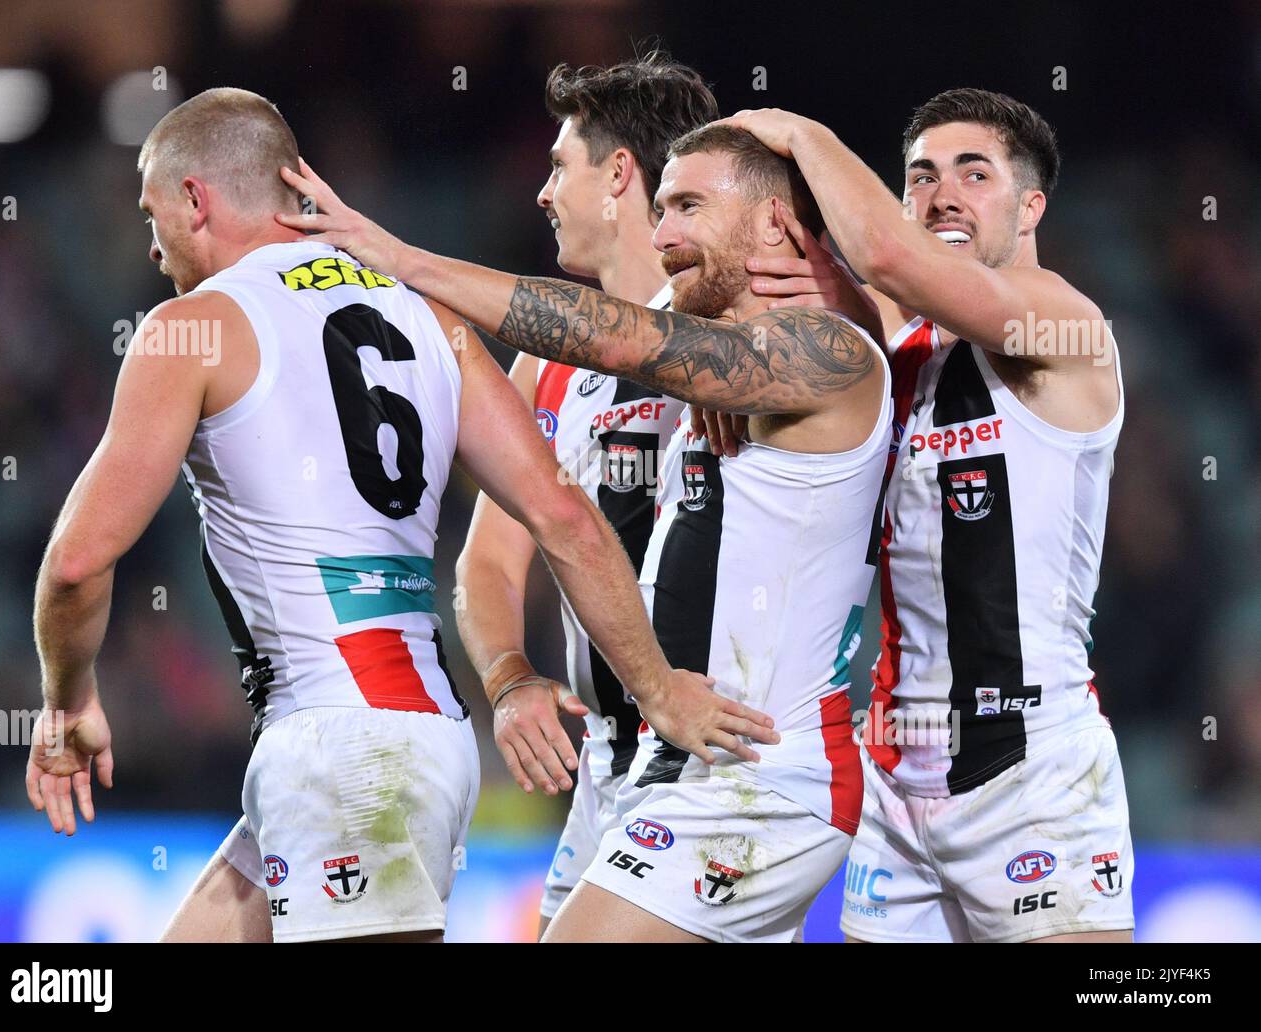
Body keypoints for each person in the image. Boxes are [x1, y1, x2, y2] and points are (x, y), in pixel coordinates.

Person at [24, 87, 773, 944]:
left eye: (153, 217)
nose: (153, 251)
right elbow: (562, 514)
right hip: (418, 740)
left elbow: (78, 563)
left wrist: (66, 699)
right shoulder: (429, 317)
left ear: (196, 200)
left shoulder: (189, 329)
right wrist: (654, 684)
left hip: (339, 754)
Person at [273, 121, 891, 943]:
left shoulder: (829, 351)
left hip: (759, 774)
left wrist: (404, 260)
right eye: (661, 209)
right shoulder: (722, 370)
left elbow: (622, 334)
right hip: (655, 765)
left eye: (689, 208)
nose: (663, 236)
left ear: (774, 223)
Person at [723, 90, 1132, 942]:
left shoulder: (1064, 324)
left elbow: (889, 258)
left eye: (973, 174)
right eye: (921, 177)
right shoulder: (884, 350)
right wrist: (731, 389)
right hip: (894, 780)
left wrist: (804, 130)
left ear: (1031, 207)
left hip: (1033, 770)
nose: (942, 194)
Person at [454, 52, 719, 938]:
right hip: (606, 769)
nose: (541, 192)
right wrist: (509, 679)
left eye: (558, 166)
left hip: (715, 763)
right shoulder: (547, 369)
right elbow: (488, 561)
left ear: (618, 177)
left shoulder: (737, 339)